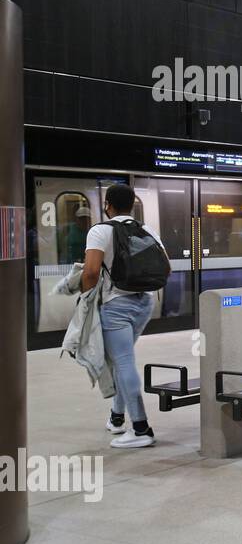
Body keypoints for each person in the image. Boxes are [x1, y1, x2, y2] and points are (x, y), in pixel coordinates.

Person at [81, 183, 167, 449]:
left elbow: (91, 272)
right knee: (122, 360)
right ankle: (117, 418)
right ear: (132, 204)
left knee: (123, 362)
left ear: (108, 205)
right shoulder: (146, 229)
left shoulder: (100, 231)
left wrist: (86, 300)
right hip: (144, 303)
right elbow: (167, 267)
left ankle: (141, 428)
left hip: (116, 304)